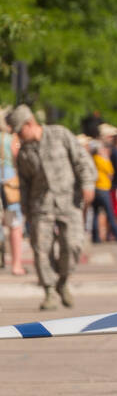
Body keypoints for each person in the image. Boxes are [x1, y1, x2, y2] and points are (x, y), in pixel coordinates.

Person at [10, 105, 97, 309]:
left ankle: (63, 281)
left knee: (73, 245)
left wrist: (87, 184)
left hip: (69, 201)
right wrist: (25, 209)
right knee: (41, 249)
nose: (18, 136)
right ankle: (49, 291)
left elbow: (82, 160)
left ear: (30, 124)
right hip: (41, 205)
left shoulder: (60, 134)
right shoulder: (24, 153)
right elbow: (24, 183)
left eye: (20, 130)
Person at [0, 110, 26, 276]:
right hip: (9, 186)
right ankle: (16, 264)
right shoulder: (11, 140)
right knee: (14, 224)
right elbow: (19, 160)